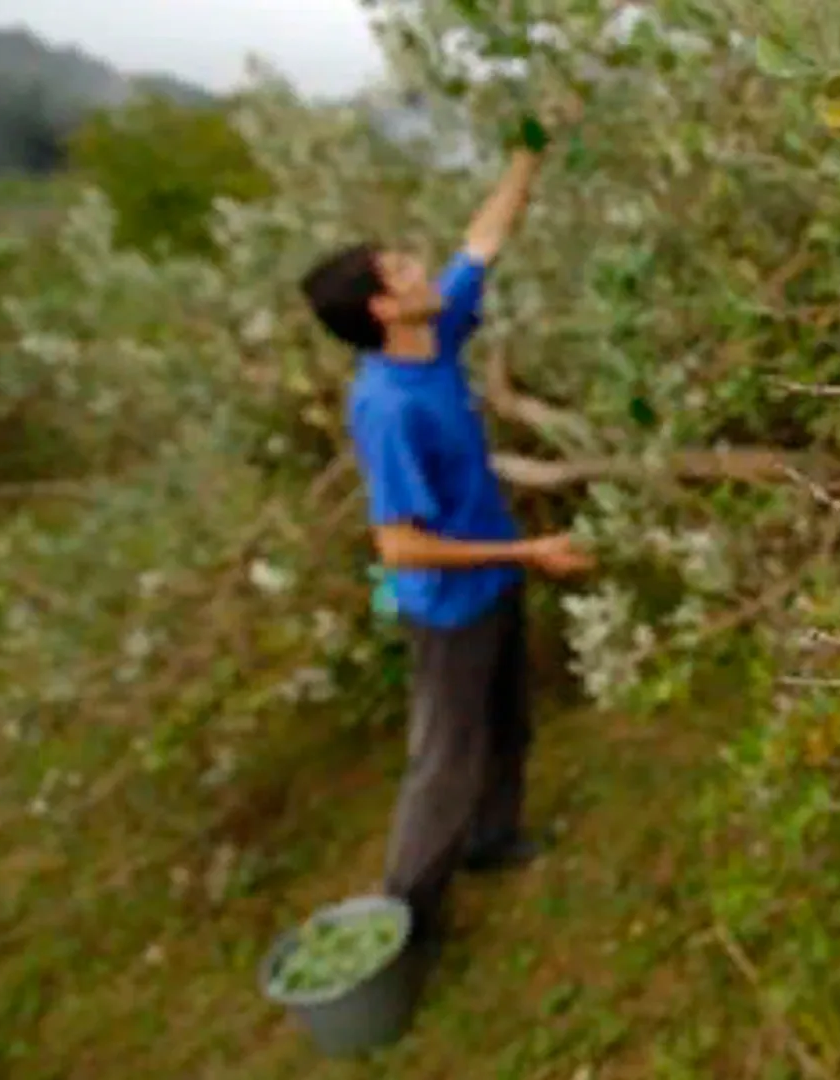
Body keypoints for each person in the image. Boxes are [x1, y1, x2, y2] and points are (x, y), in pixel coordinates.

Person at [297, 117, 591, 956]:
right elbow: (398, 547)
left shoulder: (439, 333)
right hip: (447, 607)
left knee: (509, 727)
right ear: (385, 307)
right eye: (400, 267)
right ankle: (408, 920)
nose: (421, 263)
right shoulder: (387, 405)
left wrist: (528, 153)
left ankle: (495, 840)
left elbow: (484, 238)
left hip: (491, 585)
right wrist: (527, 552)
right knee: (444, 761)